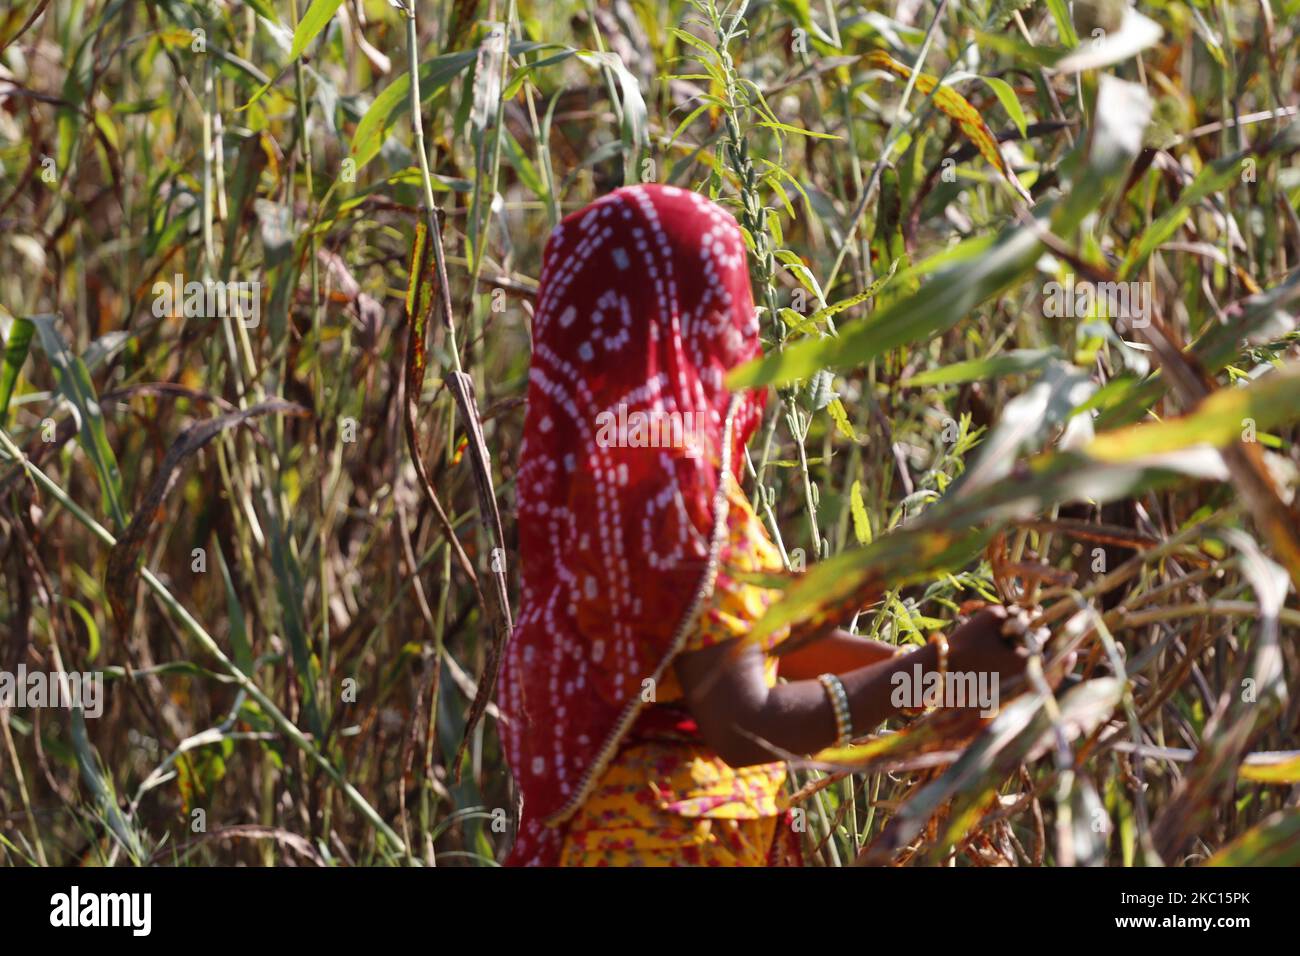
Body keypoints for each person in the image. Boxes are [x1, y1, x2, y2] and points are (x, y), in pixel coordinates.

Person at [497, 184, 1029, 866]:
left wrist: (960, 678)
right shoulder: (678, 488)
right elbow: (746, 723)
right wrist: (936, 668)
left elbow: (747, 647)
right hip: (675, 842)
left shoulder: (602, 487)